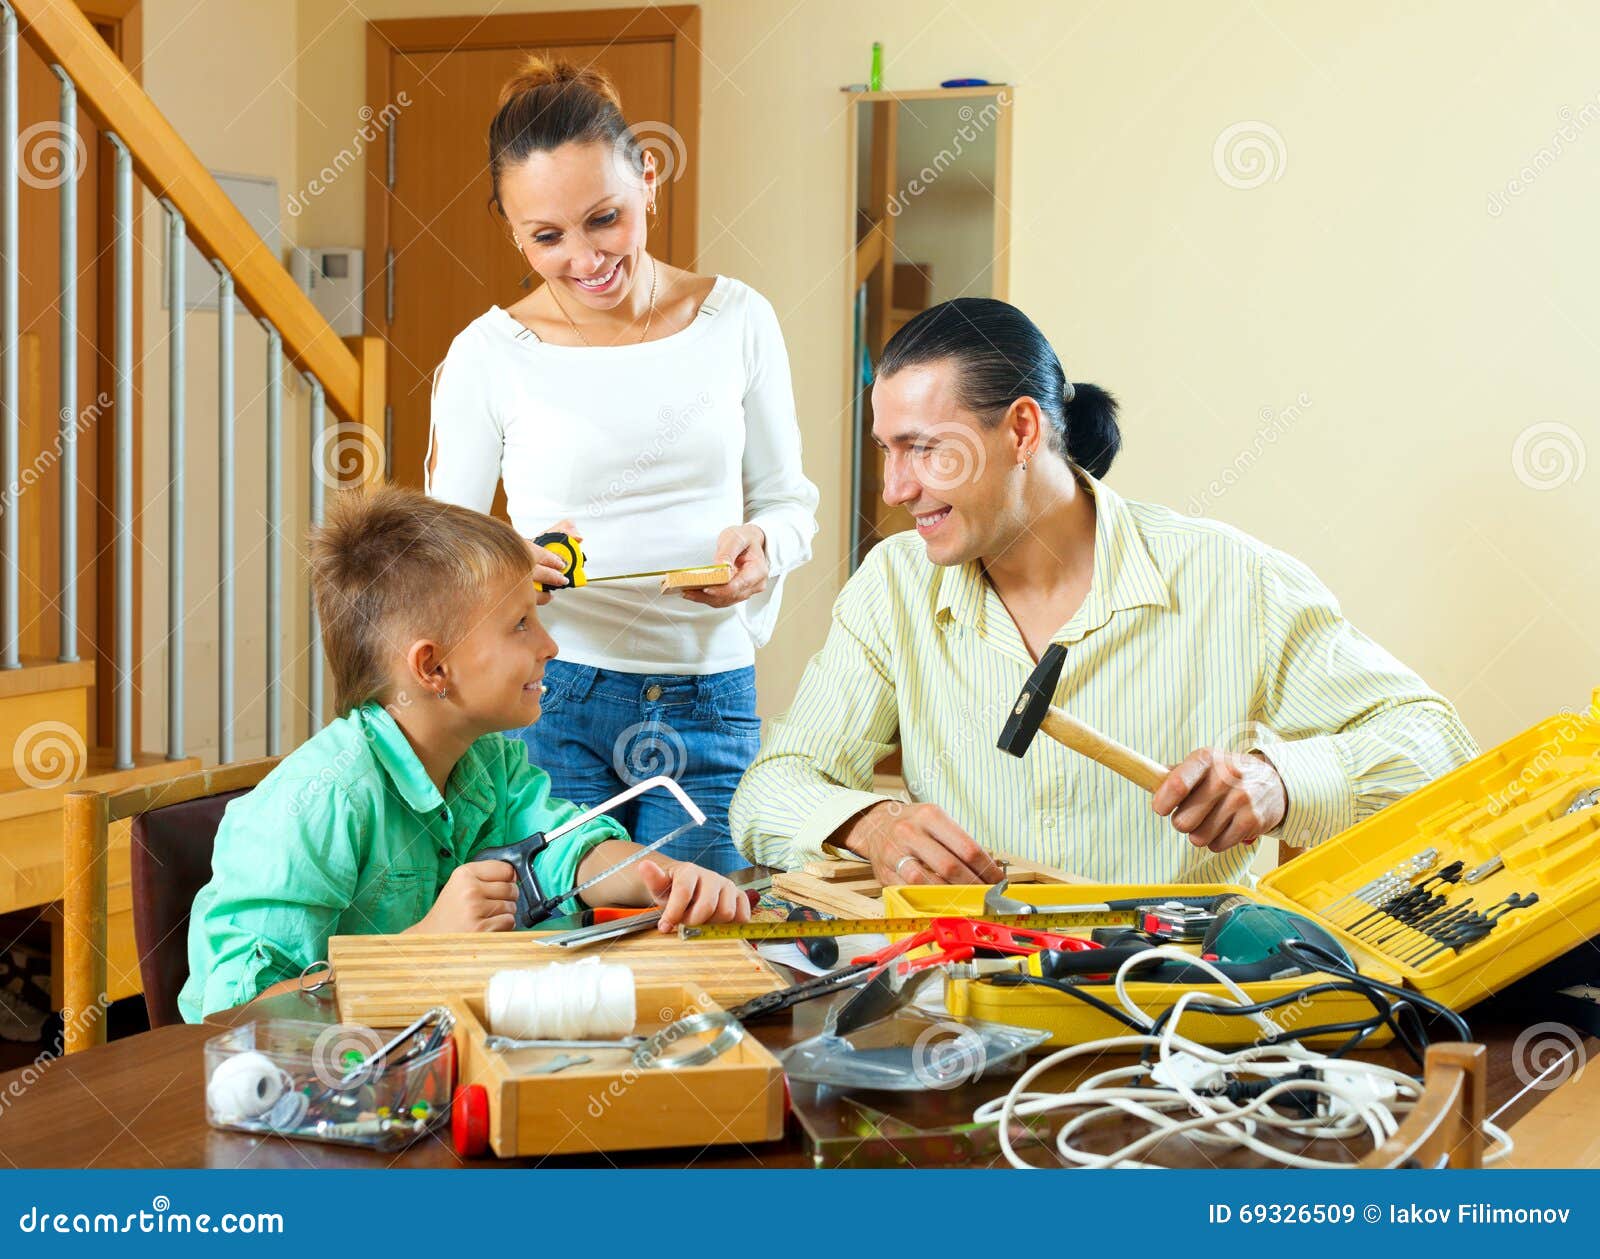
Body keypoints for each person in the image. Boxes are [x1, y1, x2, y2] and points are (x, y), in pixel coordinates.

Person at [730, 298, 1477, 886]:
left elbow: (1438, 747)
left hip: (1179, 1009)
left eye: (925, 449)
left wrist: (1280, 779)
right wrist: (872, 823)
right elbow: (770, 789)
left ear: (1022, 430)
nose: (896, 489)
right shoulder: (893, 588)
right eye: (888, 450)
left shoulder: (1230, 580)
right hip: (967, 1006)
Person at [427, 55, 818, 875]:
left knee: (706, 930)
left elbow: (788, 501)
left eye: (604, 218)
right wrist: (508, 567)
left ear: (648, 179)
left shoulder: (738, 319)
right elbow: (441, 551)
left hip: (708, 695)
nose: (584, 257)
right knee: (562, 943)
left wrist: (764, 548)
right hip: (552, 696)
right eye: (547, 237)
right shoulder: (486, 356)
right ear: (513, 231)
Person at [179, 487, 749, 1021]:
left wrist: (662, 876)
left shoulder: (487, 762)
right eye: (520, 625)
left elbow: (562, 850)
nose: (549, 646)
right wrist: (421, 945)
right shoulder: (318, 803)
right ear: (432, 668)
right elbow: (236, 1015)